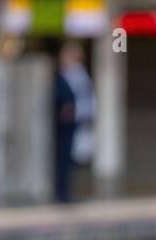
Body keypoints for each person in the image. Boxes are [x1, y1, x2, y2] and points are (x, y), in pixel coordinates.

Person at [53, 42, 94, 203]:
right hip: (65, 123)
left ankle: (65, 192)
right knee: (63, 158)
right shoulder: (64, 74)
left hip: (74, 121)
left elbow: (84, 97)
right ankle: (61, 193)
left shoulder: (77, 74)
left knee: (68, 158)